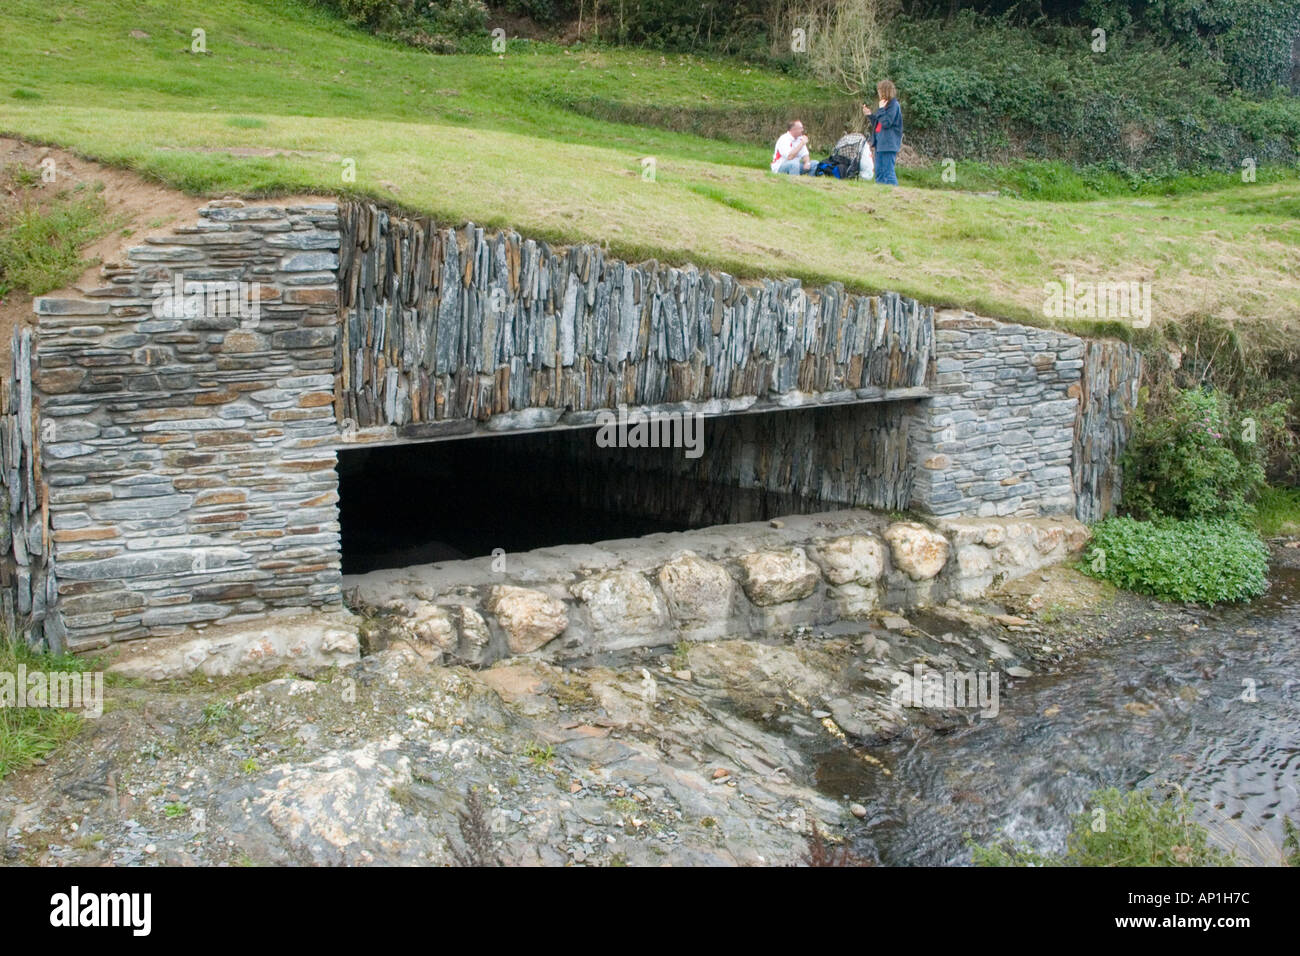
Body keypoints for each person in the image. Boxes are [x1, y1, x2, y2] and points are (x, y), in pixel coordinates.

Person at [863, 80, 902, 186]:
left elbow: (886, 123)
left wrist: (880, 109)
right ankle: (880, 197)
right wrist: (870, 115)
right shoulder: (884, 106)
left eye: (880, 90)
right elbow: (879, 122)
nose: (878, 93)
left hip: (889, 144)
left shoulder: (894, 105)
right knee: (879, 173)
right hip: (880, 144)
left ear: (885, 91)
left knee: (888, 174)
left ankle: (896, 196)